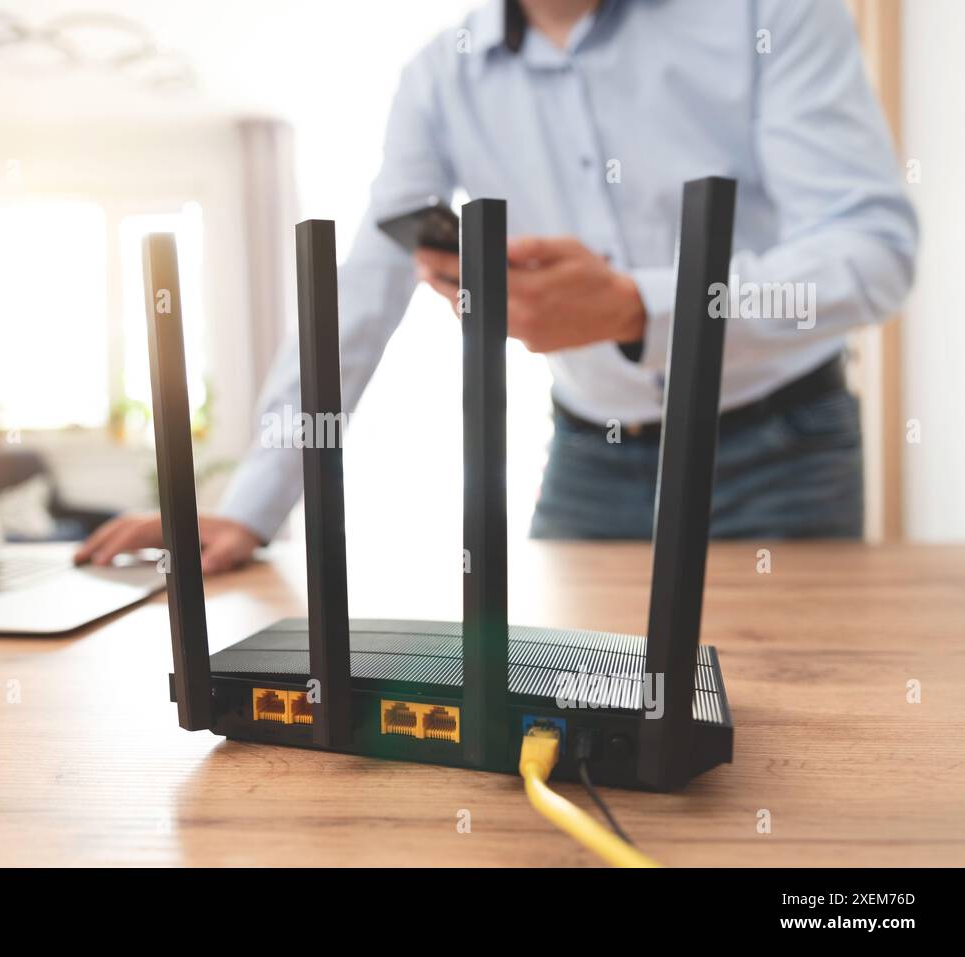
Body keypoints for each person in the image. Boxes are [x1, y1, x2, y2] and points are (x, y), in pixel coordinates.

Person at [77, 0, 917, 574]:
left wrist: (638, 303)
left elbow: (872, 251)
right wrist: (254, 502)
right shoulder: (438, 79)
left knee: (790, 744)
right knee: (563, 722)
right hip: (594, 456)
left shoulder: (769, 16)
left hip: (779, 452)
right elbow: (367, 284)